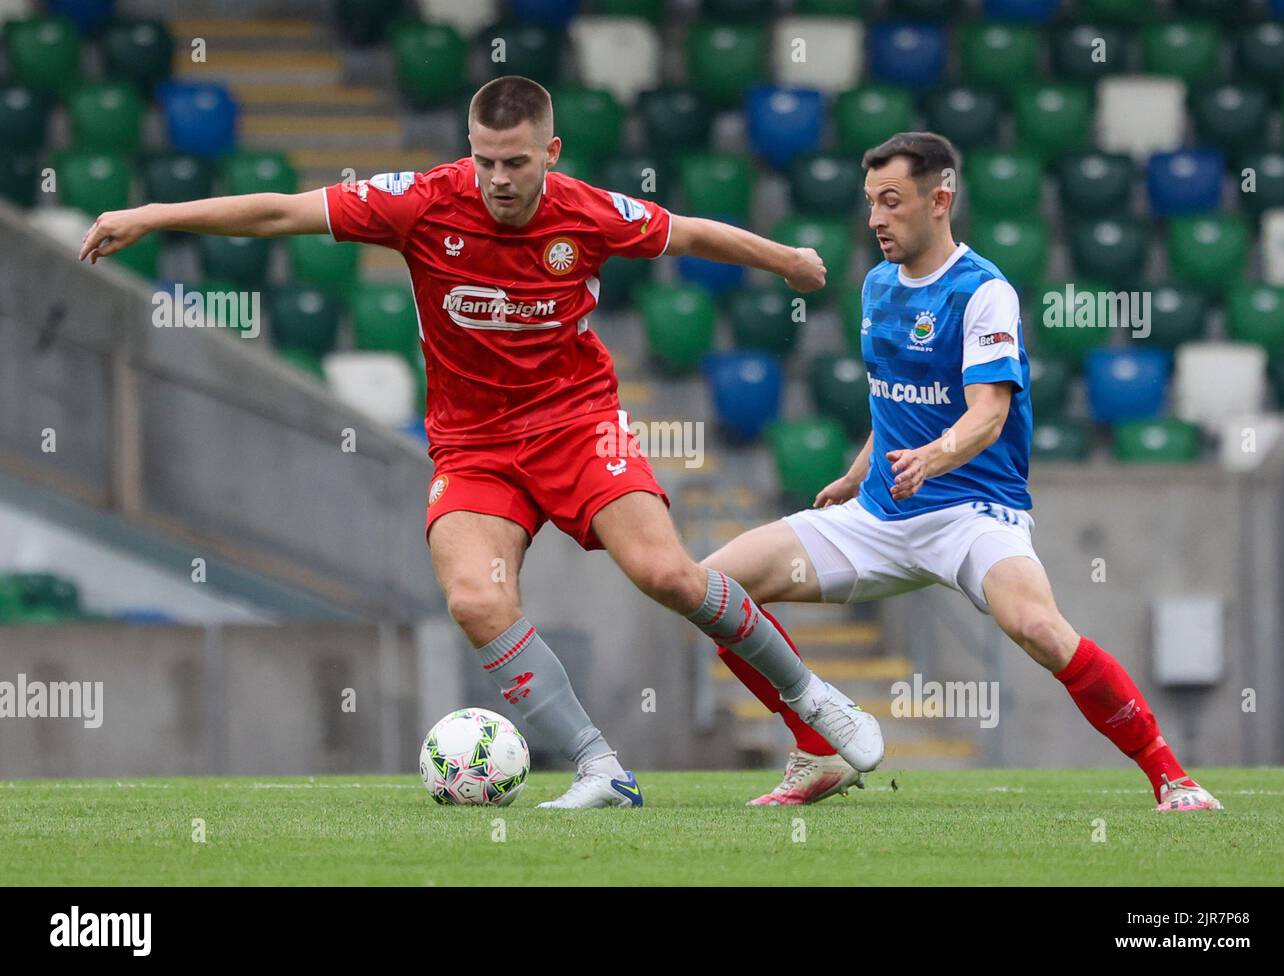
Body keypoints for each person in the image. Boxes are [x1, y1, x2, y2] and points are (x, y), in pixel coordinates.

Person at [79, 76, 885, 808]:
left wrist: (787, 261)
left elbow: (693, 235)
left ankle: (816, 704)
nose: (499, 180)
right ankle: (599, 768)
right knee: (475, 600)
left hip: (577, 425)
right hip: (474, 447)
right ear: (469, 151)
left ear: (551, 153)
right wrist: (152, 215)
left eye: (517, 163)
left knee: (668, 574)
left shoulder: (589, 211)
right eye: (487, 162)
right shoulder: (422, 202)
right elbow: (282, 210)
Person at [706, 131, 1221, 813]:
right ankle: (819, 745)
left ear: (940, 199)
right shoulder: (878, 285)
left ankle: (1171, 777)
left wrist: (935, 458)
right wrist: (858, 472)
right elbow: (894, 399)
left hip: (972, 513)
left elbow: (987, 415)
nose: (875, 220)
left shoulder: (984, 293)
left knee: (1040, 630)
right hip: (881, 512)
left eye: (891, 202)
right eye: (870, 204)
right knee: (711, 589)